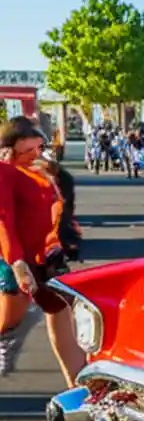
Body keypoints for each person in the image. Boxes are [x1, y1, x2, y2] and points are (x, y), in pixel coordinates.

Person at [0, 117, 84, 384]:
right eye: (28, 150)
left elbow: (60, 207)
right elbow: (4, 220)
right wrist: (17, 263)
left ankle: (79, 386)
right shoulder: (5, 174)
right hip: (17, 259)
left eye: (39, 147)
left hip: (47, 257)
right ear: (9, 150)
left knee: (60, 310)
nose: (36, 154)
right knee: (8, 322)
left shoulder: (44, 172)